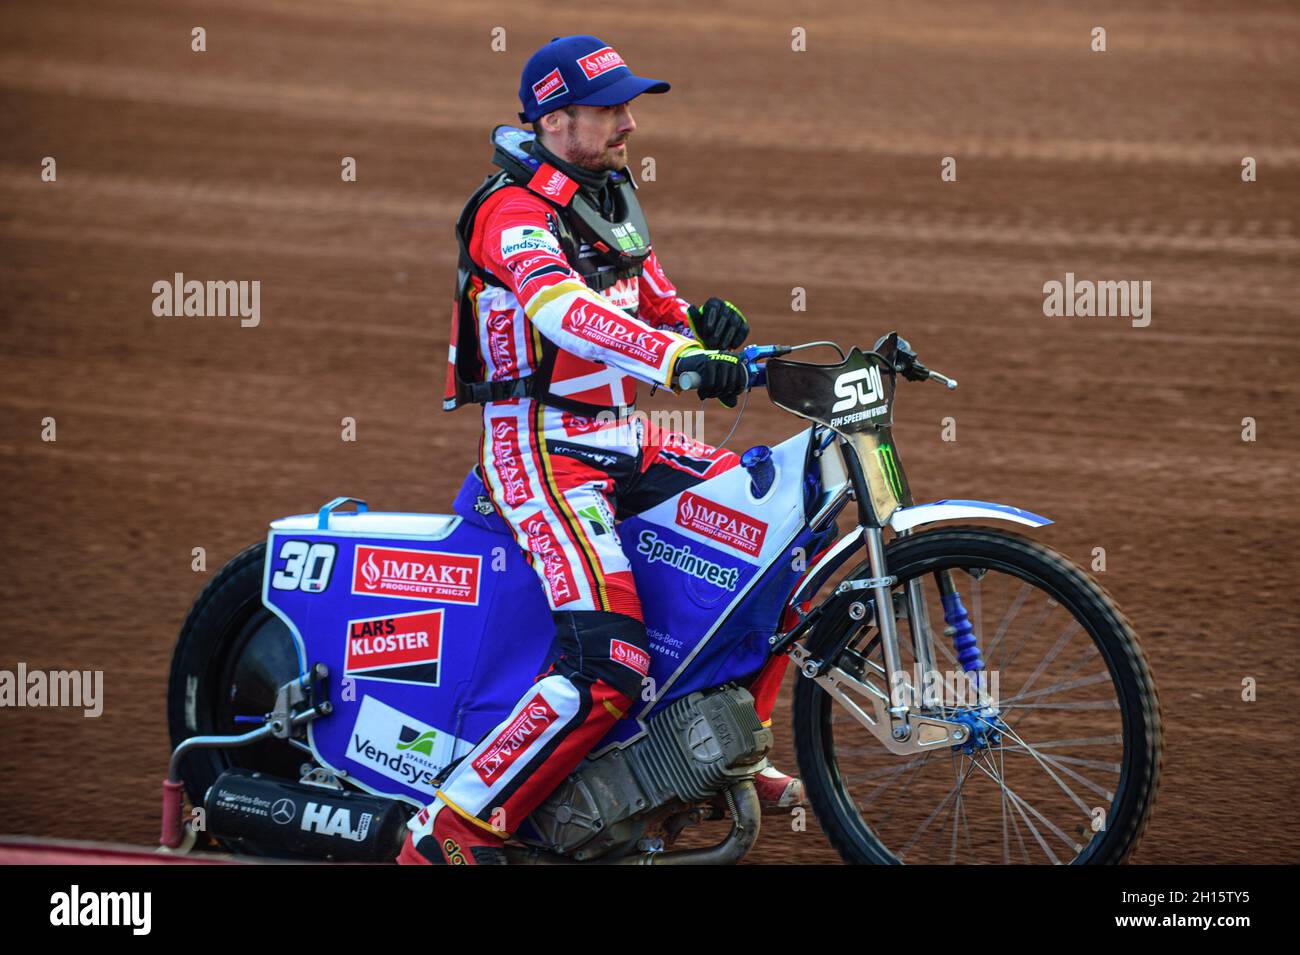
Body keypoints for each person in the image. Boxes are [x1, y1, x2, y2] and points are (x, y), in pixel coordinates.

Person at [399, 35, 801, 865]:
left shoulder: (607, 191)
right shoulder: (510, 212)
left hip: (618, 436)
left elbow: (653, 303)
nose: (628, 123)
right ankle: (451, 827)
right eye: (611, 107)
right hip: (539, 450)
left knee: (776, 532)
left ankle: (735, 743)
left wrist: (704, 333)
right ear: (555, 118)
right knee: (608, 663)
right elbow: (565, 313)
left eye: (629, 105)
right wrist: (678, 360)